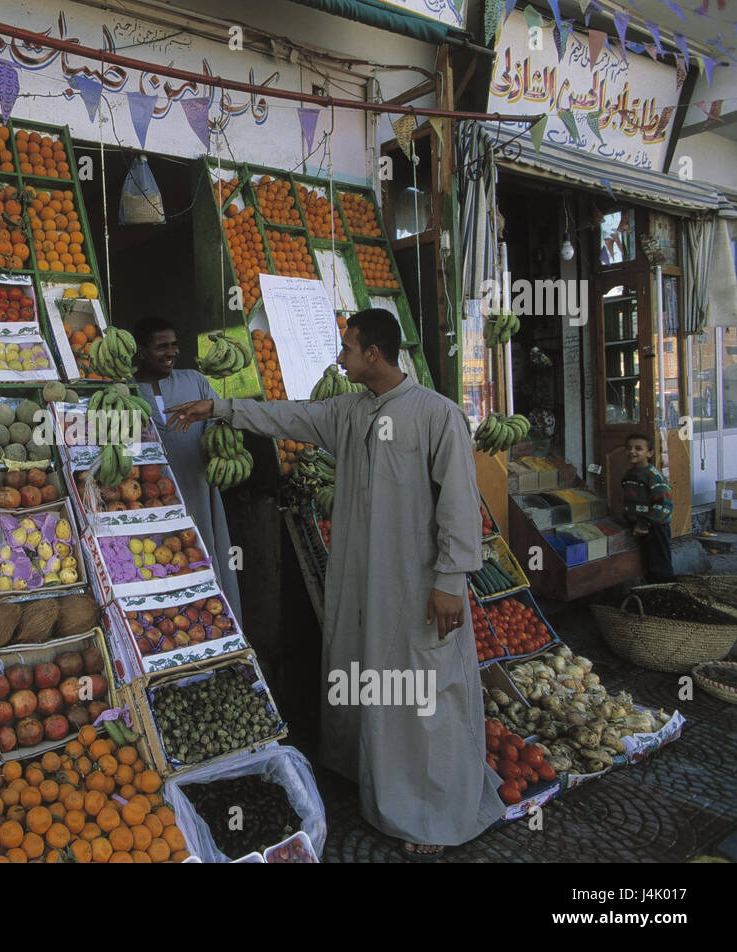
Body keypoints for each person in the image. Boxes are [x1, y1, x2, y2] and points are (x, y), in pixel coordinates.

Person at [166, 308, 502, 859]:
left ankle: (430, 810)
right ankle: (370, 780)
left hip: (417, 584)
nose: (339, 358)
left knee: (421, 691)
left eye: (347, 348)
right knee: (370, 676)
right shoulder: (350, 411)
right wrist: (219, 408)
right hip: (364, 579)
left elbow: (461, 506)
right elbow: (289, 417)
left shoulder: (437, 415)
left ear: (374, 354)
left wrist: (450, 579)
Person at [130, 316, 242, 620]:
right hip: (147, 500)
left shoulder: (194, 381)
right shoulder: (124, 391)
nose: (171, 352)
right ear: (141, 351)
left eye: (174, 344)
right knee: (157, 563)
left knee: (204, 554)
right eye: (161, 346)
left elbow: (222, 423)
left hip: (196, 490)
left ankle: (222, 632)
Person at [622, 433, 675, 583]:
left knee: (659, 567)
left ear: (649, 453)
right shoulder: (629, 475)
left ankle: (664, 596)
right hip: (637, 527)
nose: (632, 451)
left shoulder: (653, 476)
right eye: (629, 448)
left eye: (638, 448)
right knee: (645, 565)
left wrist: (645, 522)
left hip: (655, 528)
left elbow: (665, 505)